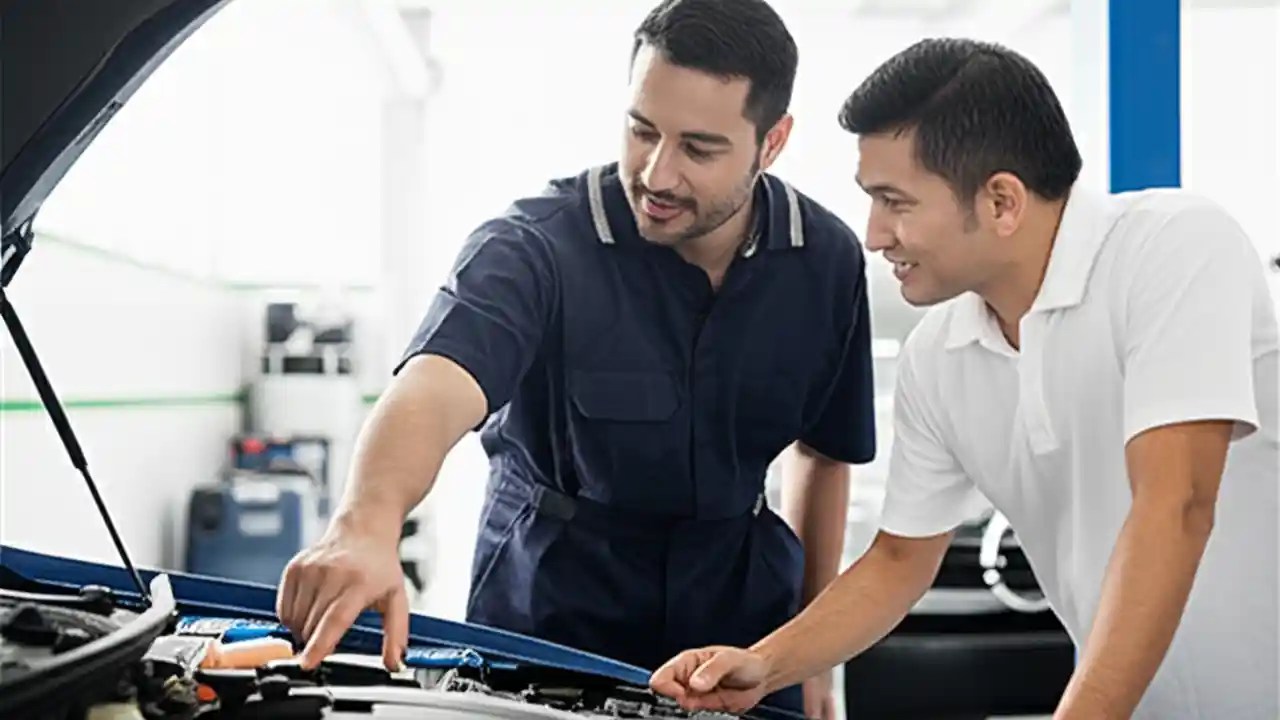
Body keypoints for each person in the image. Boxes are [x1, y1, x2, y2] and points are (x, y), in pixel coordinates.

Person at [275, 0, 877, 716]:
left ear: (771, 143)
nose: (657, 173)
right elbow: (436, 384)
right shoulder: (535, 245)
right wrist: (365, 524)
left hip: (739, 620)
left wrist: (810, 658)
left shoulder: (827, 261)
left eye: (699, 148)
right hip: (552, 612)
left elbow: (823, 453)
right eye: (642, 130)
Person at [650, 37, 1280, 720]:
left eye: (895, 201)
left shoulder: (1174, 246)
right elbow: (899, 561)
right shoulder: (938, 357)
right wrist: (768, 663)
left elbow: (1177, 504)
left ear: (1002, 201)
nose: (873, 234)